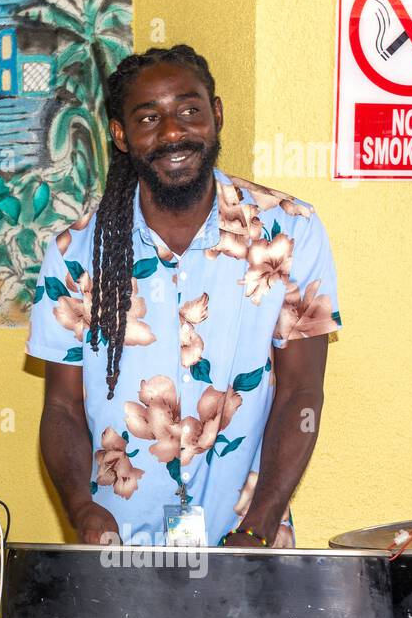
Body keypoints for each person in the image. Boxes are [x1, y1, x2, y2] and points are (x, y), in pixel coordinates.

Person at [28, 45, 341, 548]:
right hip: (117, 549)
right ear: (121, 135)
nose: (173, 131)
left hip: (245, 537)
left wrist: (257, 529)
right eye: (149, 117)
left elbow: (301, 393)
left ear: (216, 115)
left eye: (189, 110)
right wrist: (82, 509)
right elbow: (62, 407)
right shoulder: (75, 252)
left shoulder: (289, 232)